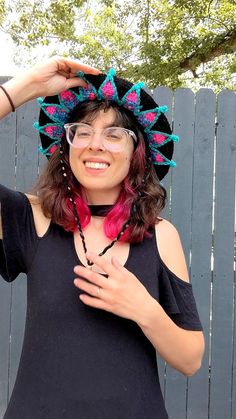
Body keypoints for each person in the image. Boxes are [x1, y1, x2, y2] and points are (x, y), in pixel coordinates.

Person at [0, 56, 205, 419]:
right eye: (82, 131)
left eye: (114, 134)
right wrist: (25, 87)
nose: (96, 144)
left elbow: (190, 359)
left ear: (136, 154)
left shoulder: (162, 235)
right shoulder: (31, 219)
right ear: (67, 148)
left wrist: (143, 309)